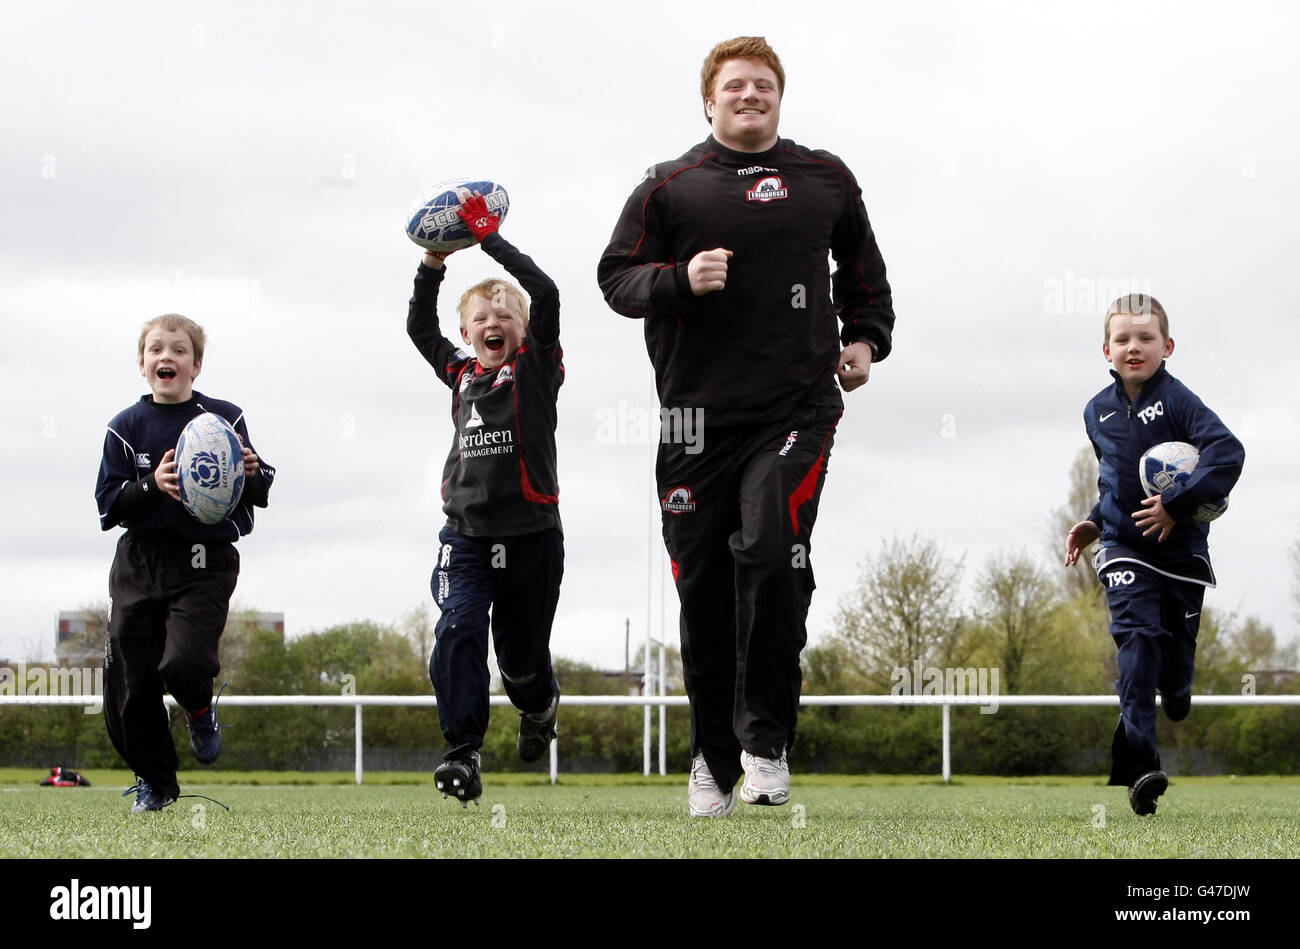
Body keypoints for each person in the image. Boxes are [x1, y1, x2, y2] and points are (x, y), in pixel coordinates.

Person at [597, 36, 895, 816]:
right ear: (709, 99)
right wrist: (678, 279)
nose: (750, 95)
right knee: (705, 595)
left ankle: (765, 744)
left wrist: (864, 340)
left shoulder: (825, 178)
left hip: (796, 409)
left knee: (769, 550)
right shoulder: (668, 187)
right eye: (735, 86)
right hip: (694, 423)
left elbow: (867, 281)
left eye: (764, 85)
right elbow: (614, 279)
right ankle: (711, 759)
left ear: (779, 98)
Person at [407, 191, 564, 806]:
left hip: (531, 538)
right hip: (466, 537)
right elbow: (420, 327)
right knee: (459, 627)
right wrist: (432, 263)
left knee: (521, 663)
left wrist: (489, 241)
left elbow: (546, 292)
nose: (493, 323)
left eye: (506, 315)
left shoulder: (537, 370)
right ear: (468, 333)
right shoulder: (461, 373)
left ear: (524, 330)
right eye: (481, 318)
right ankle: (462, 753)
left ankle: (539, 705)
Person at [1065, 294, 1243, 816]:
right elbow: (1114, 483)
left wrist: (1176, 504)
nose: (1133, 347)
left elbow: (1229, 452)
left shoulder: (1182, 401)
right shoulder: (1095, 410)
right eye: (1122, 339)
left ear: (1167, 346)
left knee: (1173, 661)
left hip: (1182, 553)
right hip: (1124, 551)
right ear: (1106, 349)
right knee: (1137, 647)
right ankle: (1142, 768)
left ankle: (1179, 684)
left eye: (1145, 338)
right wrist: (1095, 523)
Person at [95, 313, 274, 813]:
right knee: (134, 683)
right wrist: (152, 485)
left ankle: (198, 708)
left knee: (184, 663)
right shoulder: (125, 428)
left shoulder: (225, 418)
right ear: (142, 363)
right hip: (140, 564)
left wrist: (255, 471)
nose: (165, 357)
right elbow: (108, 503)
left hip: (204, 562)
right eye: (156, 350)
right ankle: (156, 782)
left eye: (177, 350)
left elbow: (260, 489)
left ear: (195, 365)